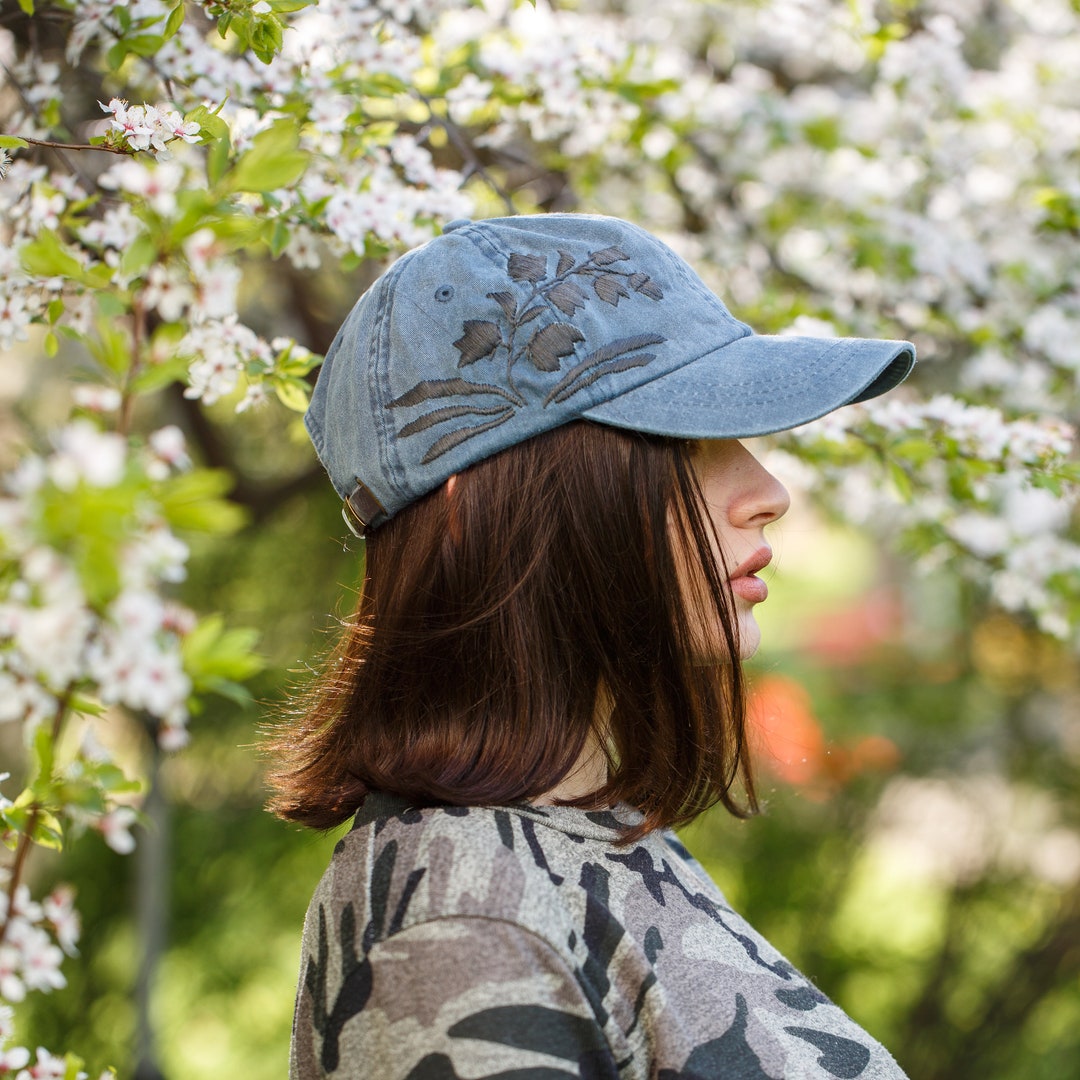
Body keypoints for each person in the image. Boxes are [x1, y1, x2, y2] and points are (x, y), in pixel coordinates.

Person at [268, 214, 916, 1079]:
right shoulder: (466, 923)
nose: (768, 491)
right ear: (503, 504)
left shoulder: (587, 835)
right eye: (682, 439)